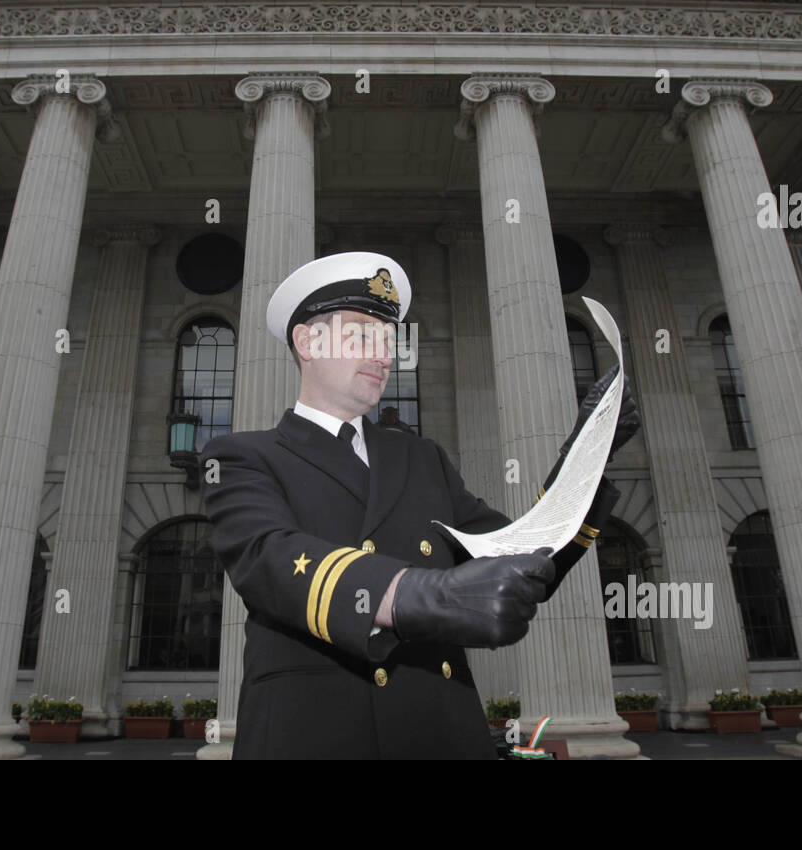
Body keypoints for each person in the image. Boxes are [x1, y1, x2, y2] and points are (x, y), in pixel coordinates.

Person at [201, 251, 639, 759]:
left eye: (390, 341)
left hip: (440, 729)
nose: (385, 355)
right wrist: (423, 595)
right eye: (363, 336)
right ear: (307, 341)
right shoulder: (242, 457)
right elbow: (269, 558)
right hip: (315, 731)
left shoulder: (420, 456)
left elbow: (521, 558)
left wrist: (585, 458)